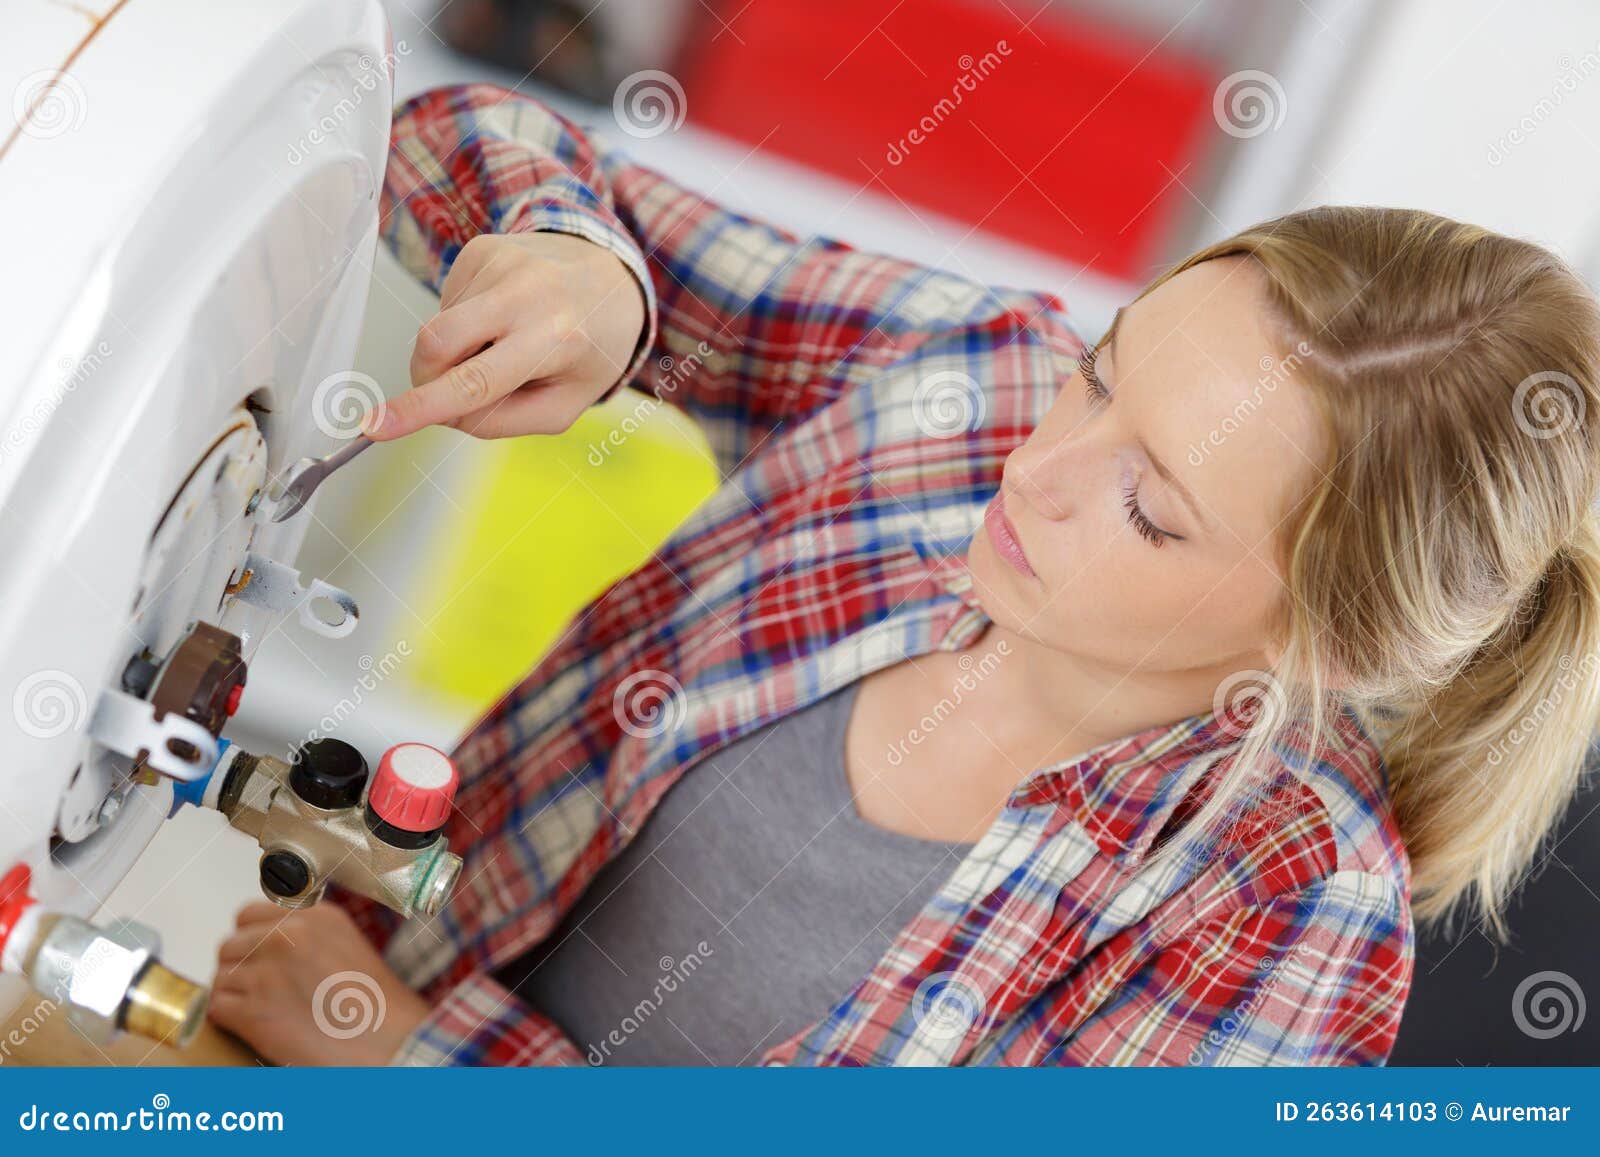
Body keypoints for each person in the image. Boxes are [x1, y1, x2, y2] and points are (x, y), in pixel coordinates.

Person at [206, 83, 1600, 1067]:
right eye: (1100, 376)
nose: (1037, 470)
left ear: (1330, 648)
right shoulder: (973, 386)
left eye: (1152, 510)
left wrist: (414, 1061)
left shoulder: (1284, 907)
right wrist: (597, 277)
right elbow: (436, 134)